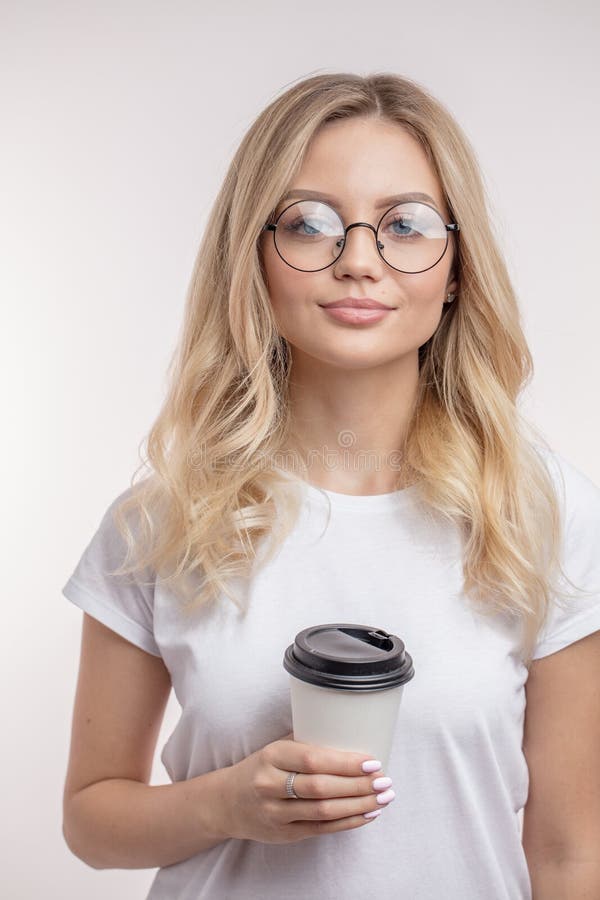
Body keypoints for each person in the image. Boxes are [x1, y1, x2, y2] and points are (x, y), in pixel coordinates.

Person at [61, 72, 600, 899]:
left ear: (456, 268)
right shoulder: (164, 520)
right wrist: (227, 805)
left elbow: (569, 854)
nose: (357, 261)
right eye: (309, 224)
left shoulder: (541, 513)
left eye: (406, 226)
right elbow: (91, 820)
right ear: (254, 259)